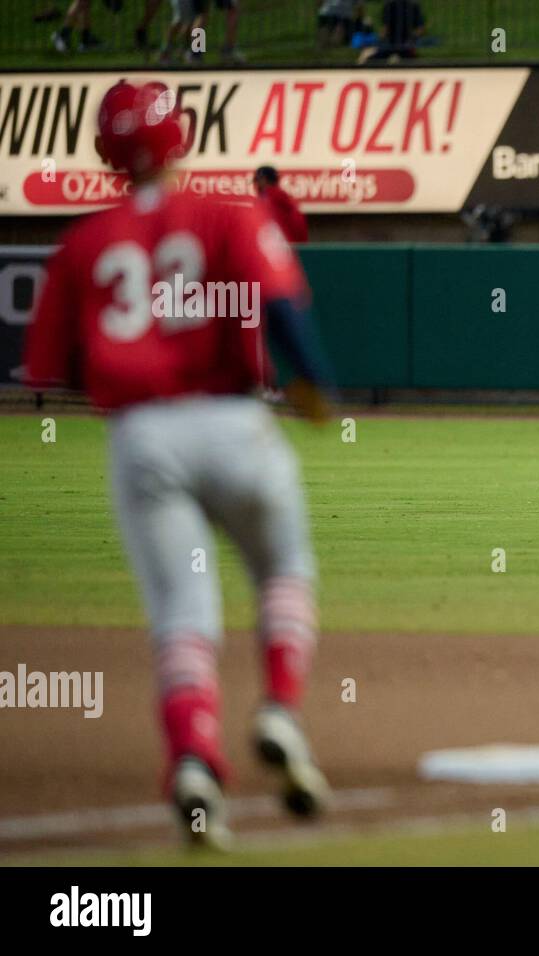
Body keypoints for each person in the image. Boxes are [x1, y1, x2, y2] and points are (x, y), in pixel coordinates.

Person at [23, 80, 334, 850]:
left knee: (182, 616)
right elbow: (284, 310)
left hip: (143, 439)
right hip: (234, 423)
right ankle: (280, 711)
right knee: (284, 571)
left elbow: (50, 369)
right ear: (182, 138)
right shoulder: (229, 217)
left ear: (106, 155)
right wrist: (317, 385)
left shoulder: (84, 245)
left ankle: (195, 762)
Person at [358, 0, 425, 64]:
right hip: (406, 45)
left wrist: (377, 42)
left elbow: (385, 30)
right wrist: (413, 38)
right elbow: (421, 29)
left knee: (371, 59)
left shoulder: (389, 5)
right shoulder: (413, 5)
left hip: (391, 45)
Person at [255, 166, 309, 243]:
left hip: (280, 251)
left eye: (256, 180)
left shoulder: (266, 199)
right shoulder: (287, 198)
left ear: (263, 180)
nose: (256, 185)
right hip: (298, 249)